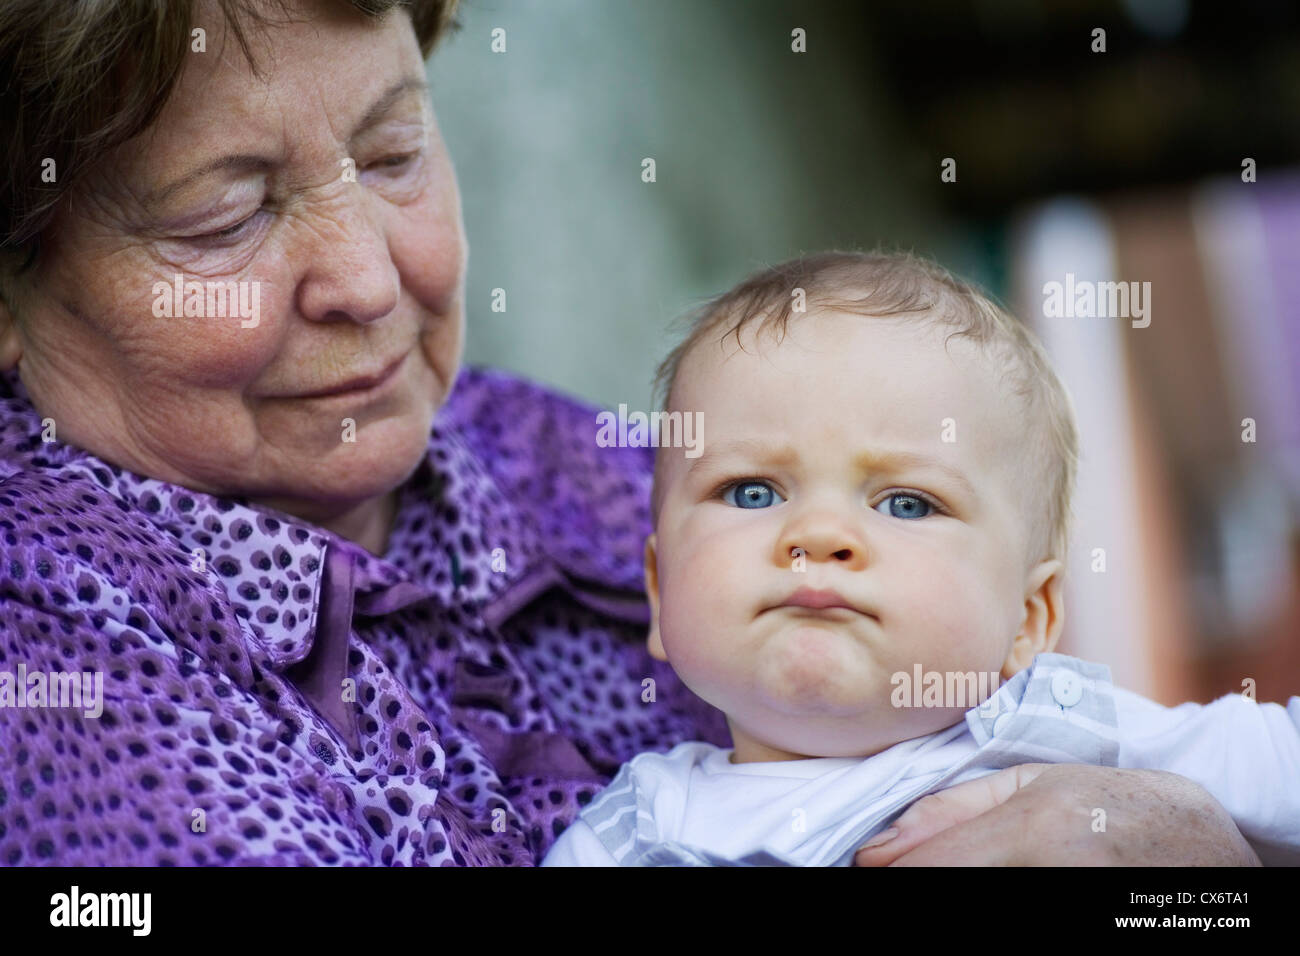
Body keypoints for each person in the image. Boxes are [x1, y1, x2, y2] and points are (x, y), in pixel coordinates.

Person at [0, 0, 1262, 866]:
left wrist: (1175, 865)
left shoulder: (552, 456)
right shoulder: (61, 670)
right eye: (226, 220)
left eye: (392, 152)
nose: (372, 281)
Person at [541, 252, 1299, 866]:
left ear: (1027, 621)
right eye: (750, 492)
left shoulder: (1060, 735)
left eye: (906, 503)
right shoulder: (637, 830)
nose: (817, 534)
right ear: (659, 591)